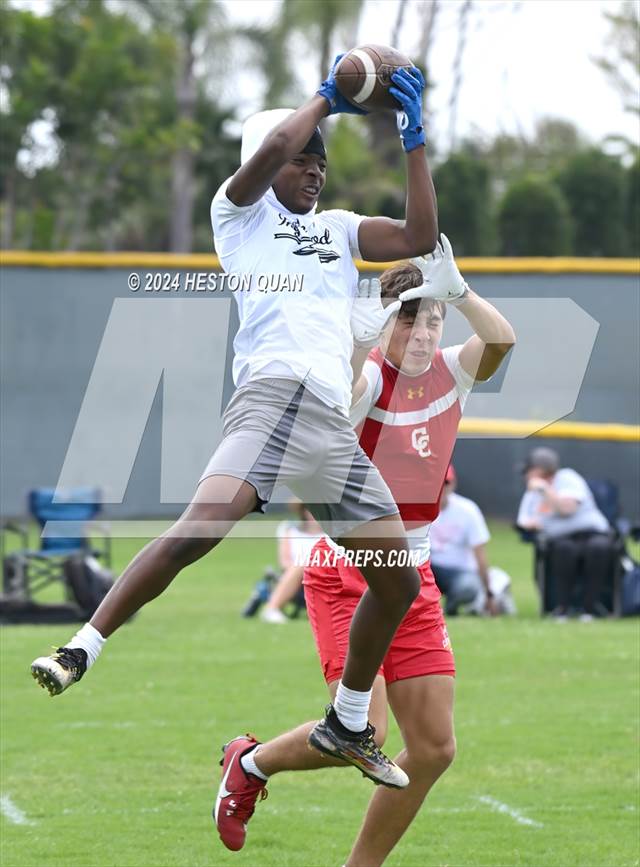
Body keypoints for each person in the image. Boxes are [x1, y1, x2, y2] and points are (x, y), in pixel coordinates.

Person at [30, 58, 440, 788]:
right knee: (200, 527)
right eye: (305, 161)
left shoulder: (340, 230)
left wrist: (413, 136)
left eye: (324, 164)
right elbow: (280, 147)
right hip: (271, 397)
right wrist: (325, 96)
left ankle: (348, 719)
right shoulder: (240, 215)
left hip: (328, 422)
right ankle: (83, 645)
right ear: (270, 159)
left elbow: (418, 232)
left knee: (396, 580)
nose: (315, 171)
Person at [213, 236, 516, 862]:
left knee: (433, 748)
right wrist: (363, 329)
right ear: (383, 322)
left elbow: (502, 341)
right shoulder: (369, 374)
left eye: (433, 318)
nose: (426, 330)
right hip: (350, 569)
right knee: (365, 729)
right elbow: (345, 384)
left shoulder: (452, 372)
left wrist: (457, 291)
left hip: (416, 570)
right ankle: (252, 763)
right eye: (411, 316)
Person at [516, 446, 612, 620]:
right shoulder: (531, 493)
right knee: (564, 550)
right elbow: (523, 520)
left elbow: (567, 508)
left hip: (591, 533)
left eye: (528, 471)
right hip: (560, 540)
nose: (525, 475)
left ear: (538, 470)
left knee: (598, 547)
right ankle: (562, 609)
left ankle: (590, 610)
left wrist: (544, 489)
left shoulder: (567, 477)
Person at [430, 464, 497, 616]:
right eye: (438, 483)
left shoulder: (468, 510)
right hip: (429, 567)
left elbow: (480, 555)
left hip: (460, 571)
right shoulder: (419, 508)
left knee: (468, 587)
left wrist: (489, 593)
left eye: (445, 483)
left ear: (453, 484)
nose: (442, 488)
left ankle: (450, 609)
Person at [260, 501, 322, 624]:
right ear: (303, 511)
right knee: (301, 564)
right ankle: (272, 608)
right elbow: (285, 562)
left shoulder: (332, 534)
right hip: (297, 576)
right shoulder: (290, 530)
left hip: (323, 575)